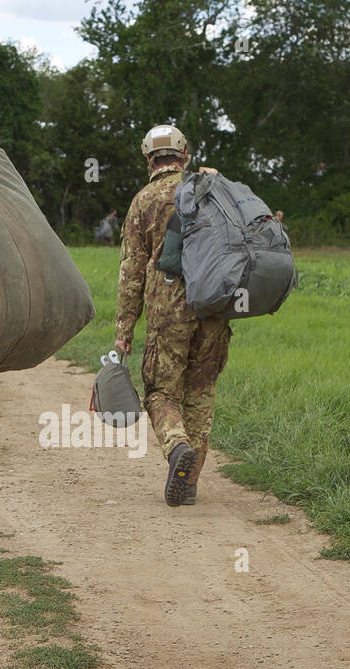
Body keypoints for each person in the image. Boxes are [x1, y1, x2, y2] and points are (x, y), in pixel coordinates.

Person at [113, 124, 231, 507]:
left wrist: (124, 329)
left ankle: (177, 445)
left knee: (162, 390)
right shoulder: (211, 192)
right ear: (186, 156)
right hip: (213, 305)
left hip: (168, 307)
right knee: (200, 391)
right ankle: (190, 480)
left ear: (149, 159)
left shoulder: (143, 201)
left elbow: (132, 270)